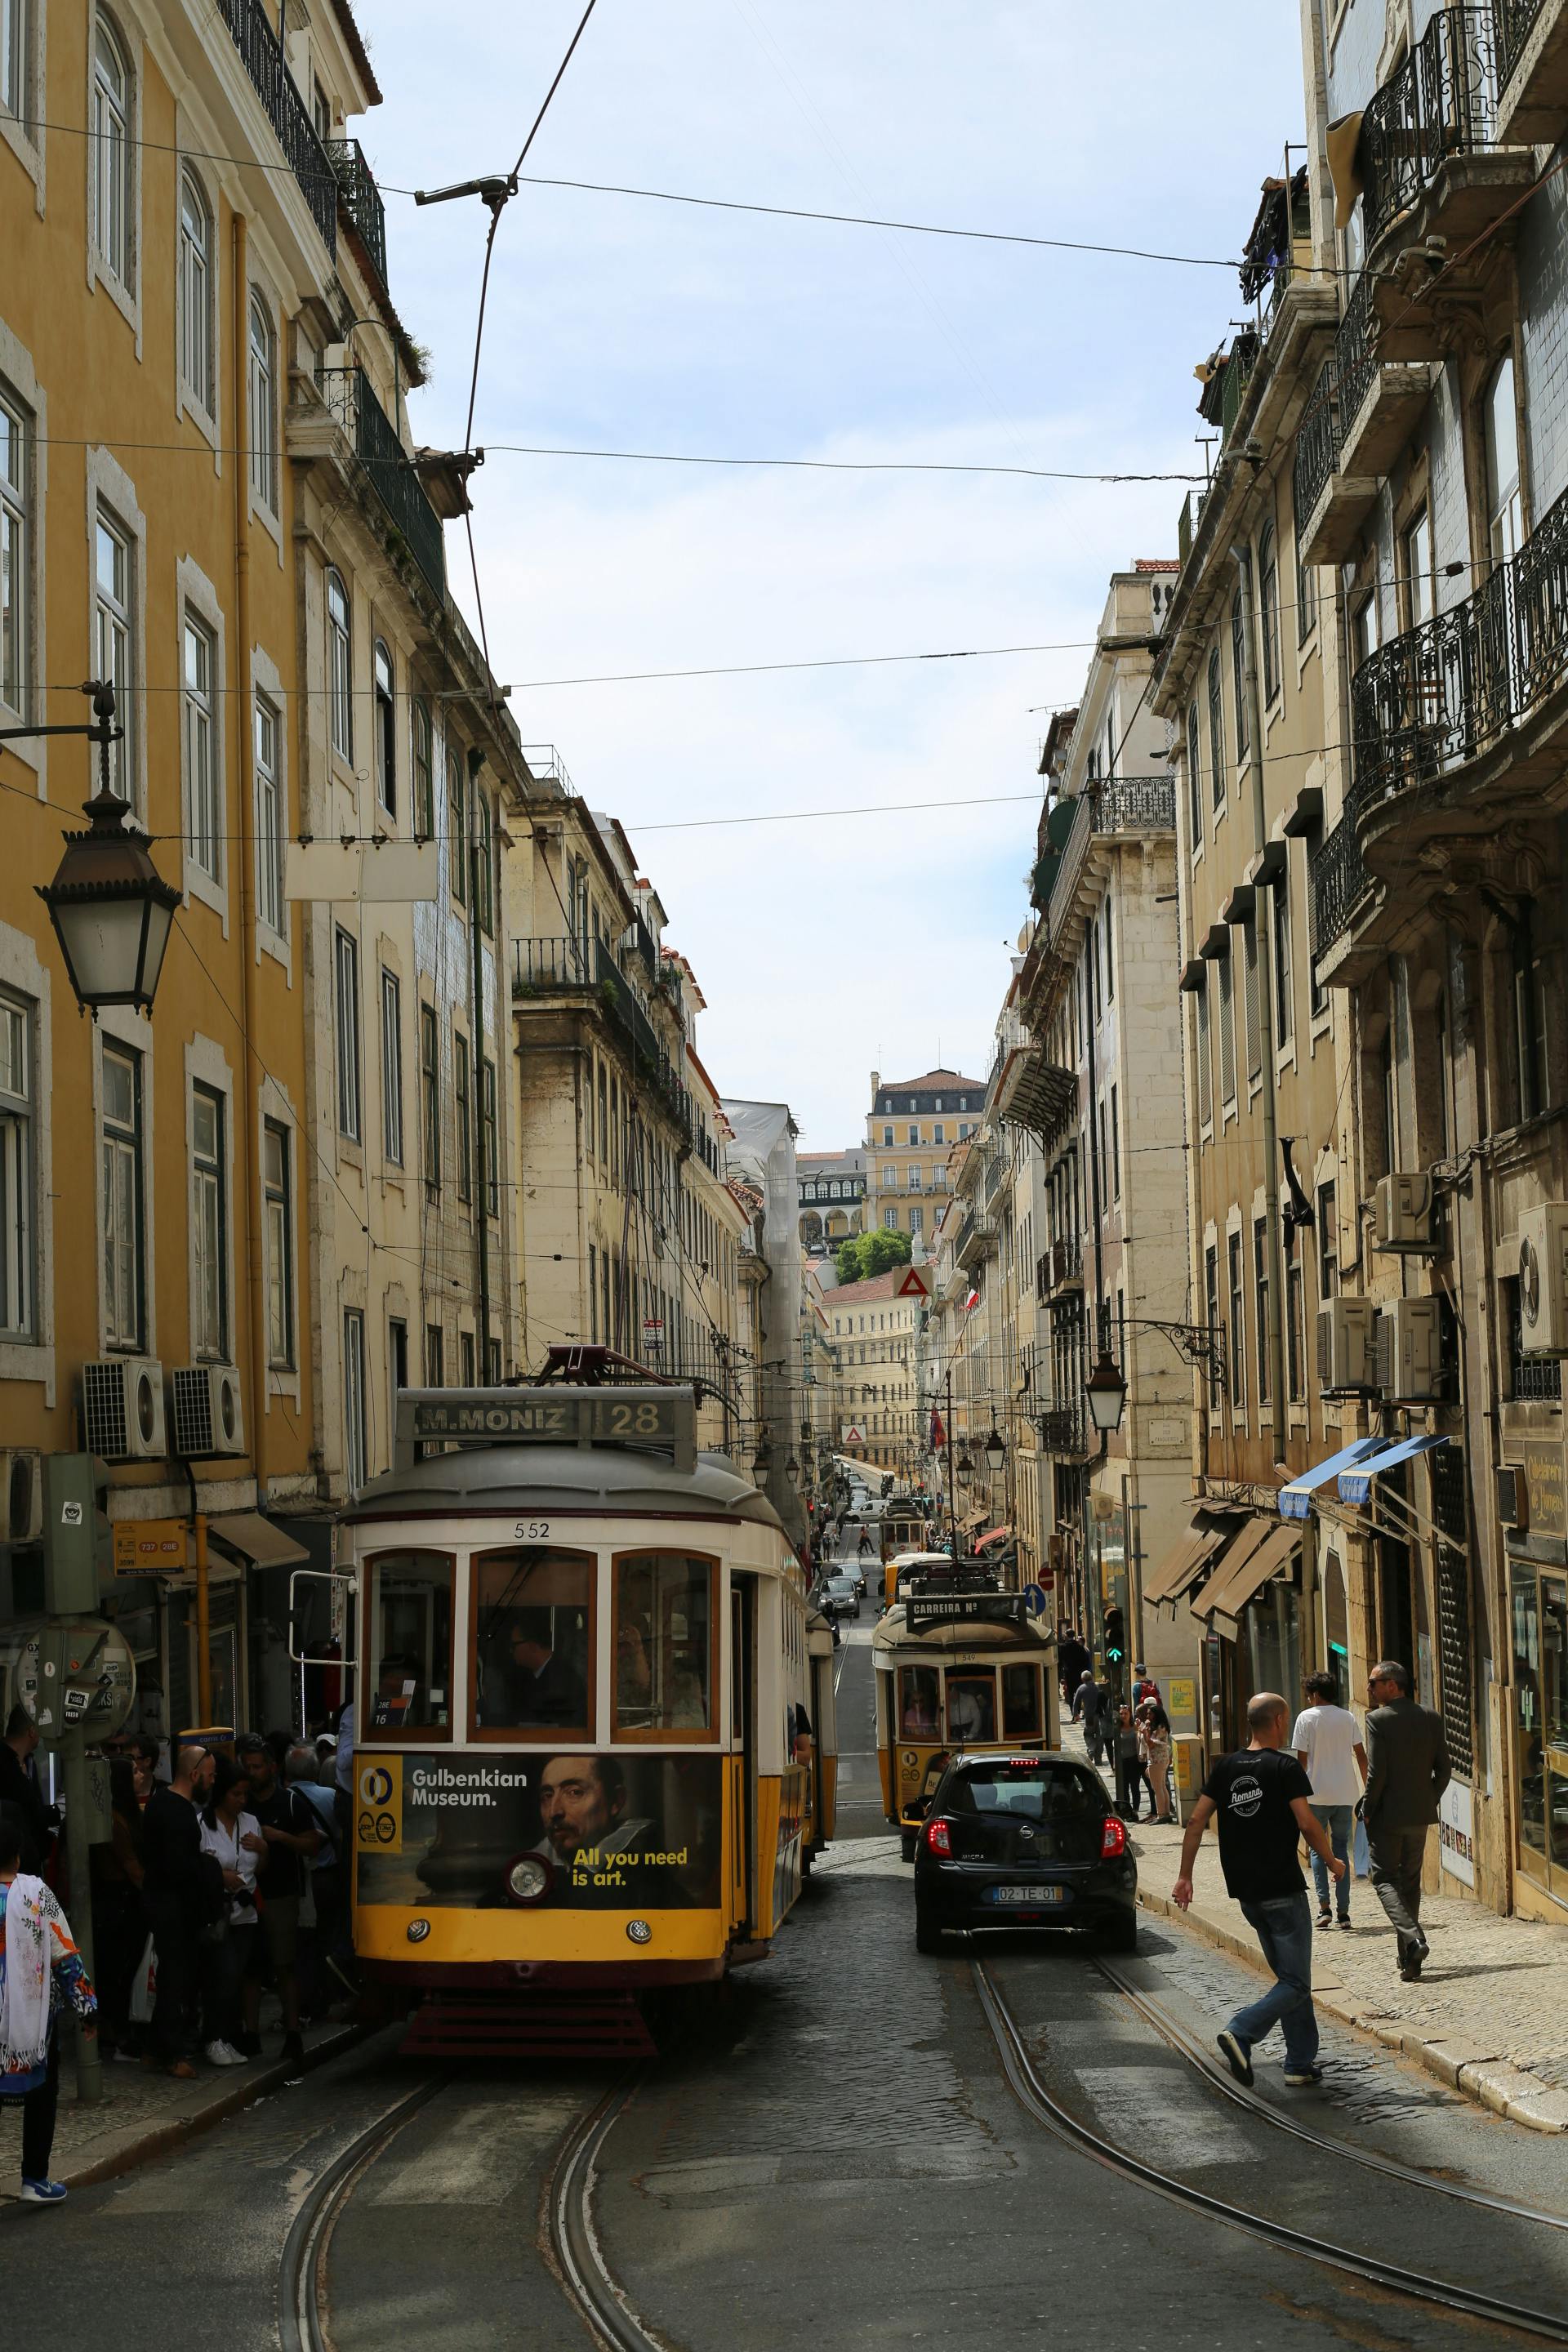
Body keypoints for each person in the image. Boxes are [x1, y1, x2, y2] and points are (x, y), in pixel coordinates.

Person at [1172, 1690, 1345, 2089]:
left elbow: (1196, 1821)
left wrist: (1185, 1876)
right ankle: (1242, 2031)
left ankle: (1299, 2062)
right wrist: (1333, 1861)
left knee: (1289, 1977)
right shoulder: (1285, 1768)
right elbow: (1306, 1822)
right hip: (1282, 1887)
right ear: (1281, 1721)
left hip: (1246, 1893)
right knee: (1297, 1983)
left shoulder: (1225, 1767)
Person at [0, 1813, 96, 2203]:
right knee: (43, 2093)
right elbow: (64, 1955)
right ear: (18, 1857)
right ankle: (34, 2180)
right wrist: (86, 2006)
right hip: (35, 2023)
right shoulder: (37, 1894)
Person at [1361, 1659, 1450, 1982]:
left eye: (1374, 1682)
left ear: (1392, 1685)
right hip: (1419, 1816)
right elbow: (1445, 1770)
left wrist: (1368, 1808)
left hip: (1388, 1817)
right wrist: (1428, 1799)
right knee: (1410, 1885)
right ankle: (1411, 1962)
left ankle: (1414, 1940)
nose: (1369, 1688)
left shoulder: (1378, 1720)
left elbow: (1376, 1774)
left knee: (1384, 1880)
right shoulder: (1430, 1717)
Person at [236, 1738, 321, 2065]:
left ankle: (292, 2032)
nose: (252, 1772)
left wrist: (280, 1837)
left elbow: (313, 1846)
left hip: (282, 1894)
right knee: (251, 1970)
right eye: (247, 1766)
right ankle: (251, 2034)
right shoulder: (241, 1804)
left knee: (284, 1964)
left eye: (257, 1766)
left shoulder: (290, 1803)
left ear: (272, 1768)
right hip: (246, 1895)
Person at [140, 1744, 216, 2079]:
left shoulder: (163, 1804)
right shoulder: (176, 1811)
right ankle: (170, 2052)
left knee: (175, 1975)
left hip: (167, 1902)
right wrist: (210, 1871)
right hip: (173, 1906)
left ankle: (156, 2047)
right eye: (210, 1776)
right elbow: (178, 1866)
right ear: (194, 1774)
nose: (212, 1782)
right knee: (175, 1978)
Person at [196, 1757, 261, 2067]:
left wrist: (265, 1849)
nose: (241, 1800)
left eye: (245, 1795)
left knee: (236, 1978)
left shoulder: (250, 1823)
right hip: (217, 1912)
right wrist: (221, 1876)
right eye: (236, 1794)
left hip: (245, 1912)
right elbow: (194, 1867)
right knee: (221, 1975)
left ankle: (227, 2037)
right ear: (222, 1793)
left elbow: (263, 1868)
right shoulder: (202, 1825)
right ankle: (213, 2038)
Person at [1291, 1671, 1367, 1931]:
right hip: (1345, 1793)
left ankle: (1324, 1909)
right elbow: (1361, 1755)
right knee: (1340, 1850)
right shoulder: (1347, 1717)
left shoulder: (1305, 1718)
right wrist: (1366, 1788)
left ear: (1313, 1694)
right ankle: (1344, 1913)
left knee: (1317, 1850)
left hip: (1315, 1794)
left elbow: (1301, 1762)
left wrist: (1296, 1795)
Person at [90, 1758, 145, 2060]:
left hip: (122, 1902)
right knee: (117, 1972)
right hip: (119, 1904)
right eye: (135, 1772)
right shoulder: (115, 1821)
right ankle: (117, 2035)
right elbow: (132, 1869)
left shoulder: (124, 1817)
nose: (142, 1776)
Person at [285, 1744, 344, 2019]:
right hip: (330, 1879)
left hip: (300, 1882)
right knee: (327, 1940)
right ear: (315, 1769)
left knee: (302, 1944)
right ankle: (327, 1995)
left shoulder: (284, 1799)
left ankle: (306, 2002)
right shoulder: (331, 1795)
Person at [507, 1610, 588, 1729]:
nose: (511, 1651)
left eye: (514, 1645)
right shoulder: (526, 1676)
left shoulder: (564, 1681)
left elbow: (562, 1728)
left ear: (532, 1646)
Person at [0, 1704, 51, 1874]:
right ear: (32, 1731)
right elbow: (30, 1812)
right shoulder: (7, 1768)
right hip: (15, 1867)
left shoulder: (27, 1763)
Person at [1112, 1704, 1152, 1820]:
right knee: (1124, 1788)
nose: (1123, 1716)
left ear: (1130, 1715)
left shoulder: (1135, 1727)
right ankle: (1126, 1812)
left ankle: (1135, 1812)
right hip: (1122, 1762)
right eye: (1121, 1714)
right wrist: (1115, 1764)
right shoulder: (1117, 1729)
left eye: (1126, 1713)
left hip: (1134, 1761)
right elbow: (1115, 1748)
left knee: (1135, 1787)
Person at [1138, 1699, 1174, 1824]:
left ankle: (1161, 1815)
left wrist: (1145, 1730)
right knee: (1162, 1787)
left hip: (1157, 1760)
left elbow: (1150, 1744)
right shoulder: (1161, 1726)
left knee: (1157, 1789)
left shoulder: (1159, 1727)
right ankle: (1166, 1813)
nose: (1148, 1716)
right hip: (1162, 1760)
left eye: (1150, 1714)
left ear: (1156, 1715)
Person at [1071, 1671, 1109, 1767]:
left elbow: (1076, 1702)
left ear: (1082, 1679)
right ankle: (1098, 1759)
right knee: (1100, 1737)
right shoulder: (1098, 1687)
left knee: (1088, 1734)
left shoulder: (1082, 1688)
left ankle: (1091, 1749)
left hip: (1089, 1717)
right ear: (1092, 1677)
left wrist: (1076, 1714)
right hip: (1100, 1716)